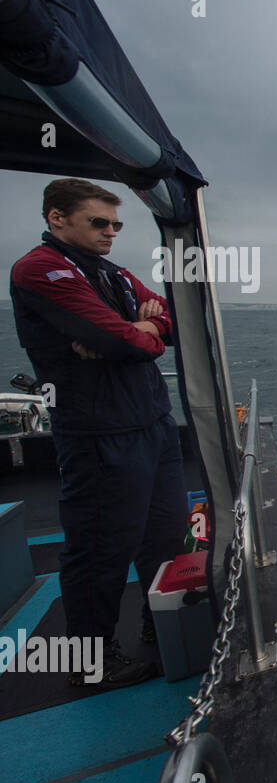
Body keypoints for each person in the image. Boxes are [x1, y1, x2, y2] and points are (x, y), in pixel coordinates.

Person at [9, 178, 188, 686]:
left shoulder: (116, 275)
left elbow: (173, 320)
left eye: (116, 225)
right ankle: (91, 662)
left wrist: (144, 329)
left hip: (152, 423)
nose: (111, 232)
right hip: (97, 430)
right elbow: (118, 338)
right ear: (56, 217)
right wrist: (135, 331)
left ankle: (161, 619)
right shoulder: (41, 270)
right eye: (99, 223)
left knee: (164, 533)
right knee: (100, 545)